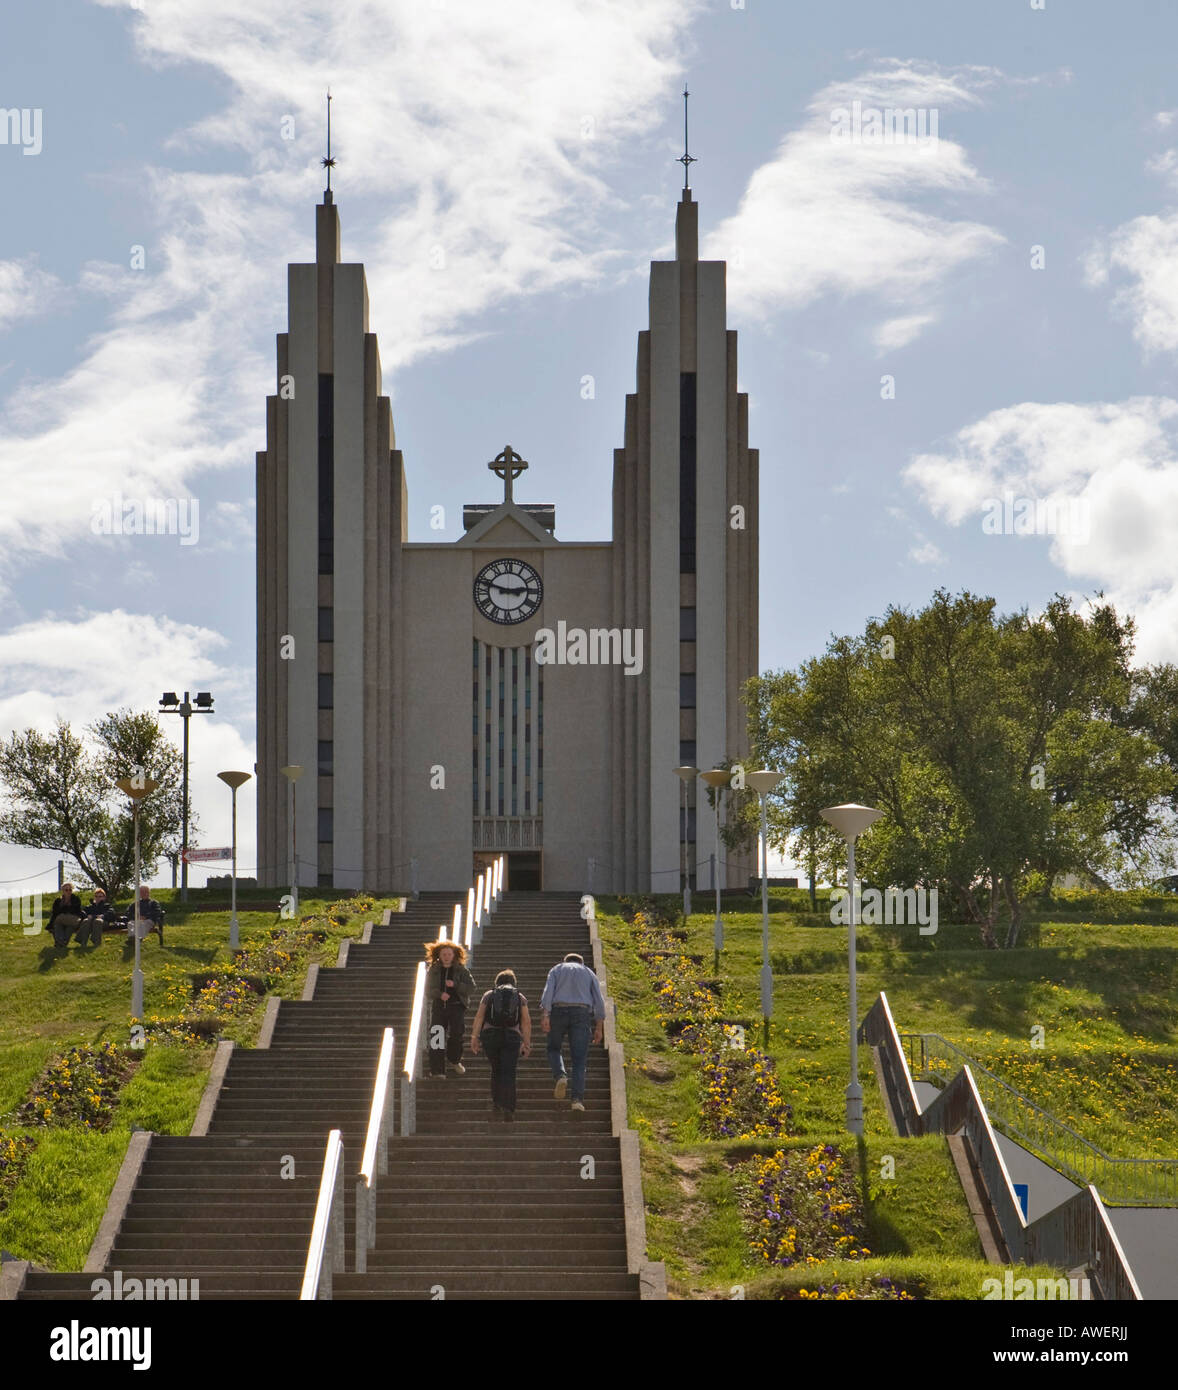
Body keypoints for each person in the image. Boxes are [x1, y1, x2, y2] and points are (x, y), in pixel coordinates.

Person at [540, 952, 605, 1114]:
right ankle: (577, 1100)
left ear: (565, 961)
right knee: (579, 1060)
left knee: (554, 1048)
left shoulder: (557, 969)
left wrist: (545, 1015)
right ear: (581, 962)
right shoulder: (588, 972)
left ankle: (560, 1075)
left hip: (558, 1011)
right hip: (582, 1013)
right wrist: (599, 1027)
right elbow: (599, 1001)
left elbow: (548, 993)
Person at [470, 969, 532, 1121]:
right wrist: (526, 1043)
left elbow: (479, 1017)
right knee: (509, 1071)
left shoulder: (489, 995)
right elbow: (526, 1022)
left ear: (496, 982)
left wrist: (474, 1037)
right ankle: (509, 1108)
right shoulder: (519, 996)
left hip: (490, 1036)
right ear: (514, 982)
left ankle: (497, 1103)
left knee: (496, 1069)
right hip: (512, 1037)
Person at [424, 939, 476, 1077]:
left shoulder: (461, 969)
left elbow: (471, 988)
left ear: (454, 955)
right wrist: (440, 994)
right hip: (439, 1007)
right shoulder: (433, 970)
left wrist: (456, 985)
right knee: (437, 1036)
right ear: (439, 955)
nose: (446, 956)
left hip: (456, 1007)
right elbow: (427, 989)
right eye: (444, 954)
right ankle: (437, 1070)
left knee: (456, 1034)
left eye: (449, 954)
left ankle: (454, 1060)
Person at [47, 883, 84, 948]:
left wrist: (64, 909)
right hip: (63, 921)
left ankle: (59, 942)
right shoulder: (58, 900)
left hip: (73, 919)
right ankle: (62, 943)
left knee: (58, 921)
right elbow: (55, 911)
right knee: (64, 926)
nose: (68, 891)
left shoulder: (75, 899)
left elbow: (75, 910)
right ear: (63, 891)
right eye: (66, 890)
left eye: (70, 890)